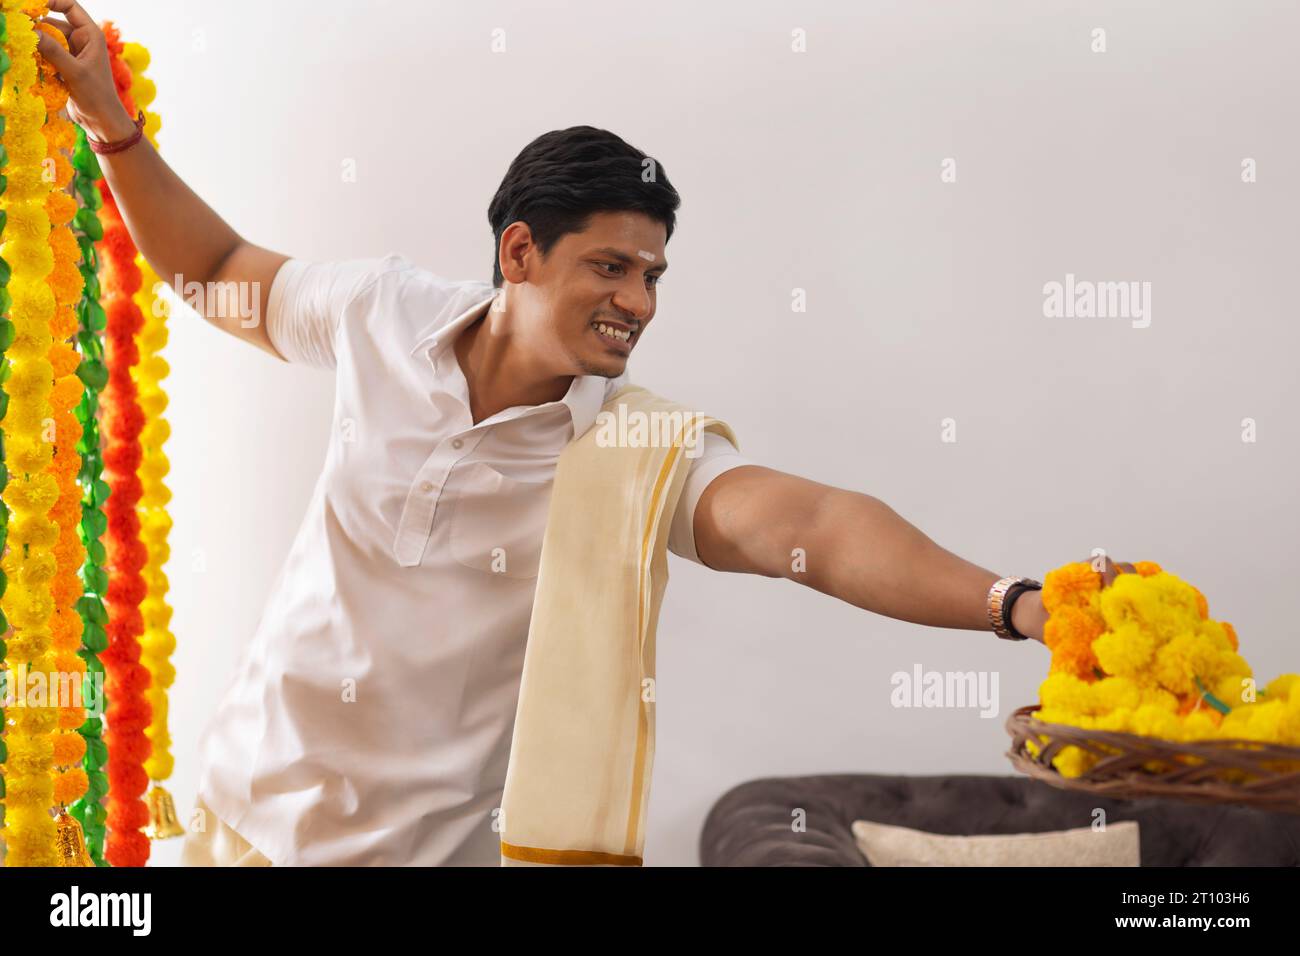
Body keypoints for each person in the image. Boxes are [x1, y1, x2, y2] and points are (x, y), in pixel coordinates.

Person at [35, 0, 1134, 866]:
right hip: (236, 824)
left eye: (652, 273)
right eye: (610, 265)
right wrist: (109, 121)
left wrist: (1015, 603)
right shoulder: (380, 312)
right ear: (519, 253)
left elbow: (809, 524)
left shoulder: (631, 449)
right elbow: (222, 275)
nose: (640, 301)